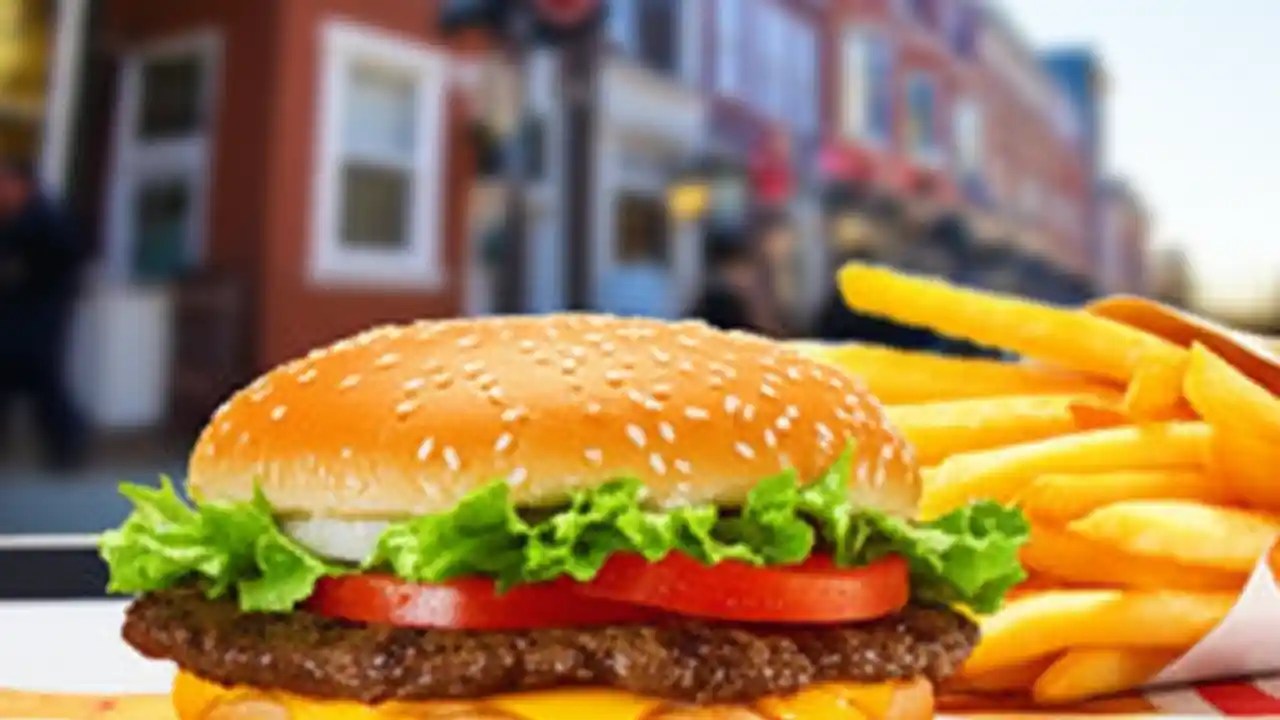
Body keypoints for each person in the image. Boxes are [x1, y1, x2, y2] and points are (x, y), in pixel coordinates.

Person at [0, 156, 89, 469]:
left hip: (41, 316)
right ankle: (65, 444)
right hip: (17, 316)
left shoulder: (45, 220)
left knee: (44, 383)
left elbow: (65, 262)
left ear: (23, 187)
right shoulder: (14, 221)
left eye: (6, 185)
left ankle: (69, 443)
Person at [687, 225, 761, 333]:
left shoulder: (753, 311)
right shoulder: (714, 310)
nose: (740, 274)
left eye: (743, 265)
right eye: (732, 266)